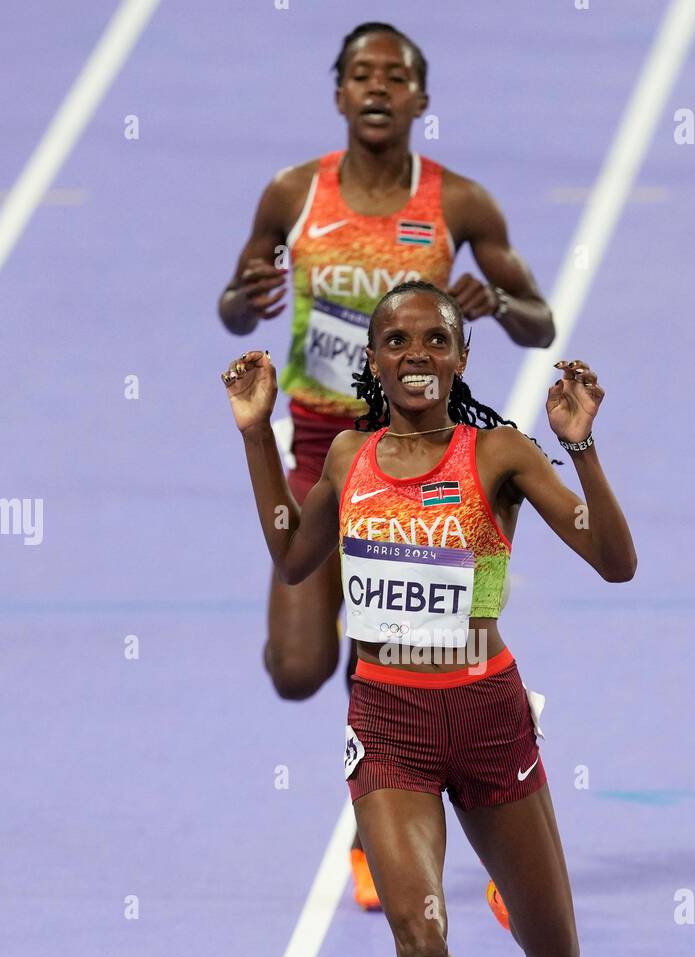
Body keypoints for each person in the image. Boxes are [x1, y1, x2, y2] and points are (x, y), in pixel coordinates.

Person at [221, 282, 636, 957]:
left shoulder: (495, 453)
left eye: (433, 339)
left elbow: (613, 562)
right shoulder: (351, 458)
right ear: (371, 359)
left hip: (491, 723)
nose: (413, 352)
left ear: (457, 357)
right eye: (394, 339)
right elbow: (292, 557)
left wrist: (578, 444)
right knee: (419, 947)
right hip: (392, 731)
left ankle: (509, 889)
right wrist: (255, 434)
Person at [218, 21, 555, 910]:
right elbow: (230, 302)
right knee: (296, 671)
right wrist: (246, 300)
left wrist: (501, 301)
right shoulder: (294, 196)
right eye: (360, 75)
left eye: (395, 76)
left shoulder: (460, 205)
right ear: (337, 93)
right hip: (327, 458)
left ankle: (414, 825)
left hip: (429, 464)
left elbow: (539, 321)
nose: (377, 88)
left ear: (420, 100)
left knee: (412, 639)